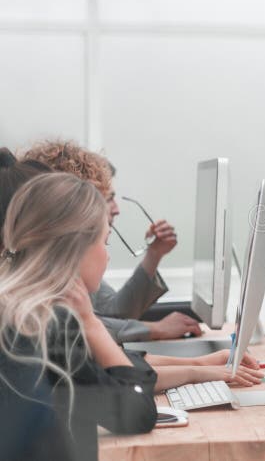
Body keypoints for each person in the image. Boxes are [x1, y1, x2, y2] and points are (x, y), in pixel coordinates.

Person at [0, 153, 265, 393]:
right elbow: (106, 343)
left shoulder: (50, 285)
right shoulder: (37, 316)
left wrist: (196, 364)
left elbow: (109, 315)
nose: (114, 208)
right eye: (107, 199)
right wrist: (158, 334)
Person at [0, 172, 158, 461]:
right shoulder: (49, 324)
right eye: (105, 241)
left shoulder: (11, 309)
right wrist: (91, 324)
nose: (107, 256)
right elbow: (137, 412)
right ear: (77, 248)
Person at [22, 140, 200, 342]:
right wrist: (154, 329)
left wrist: (154, 254)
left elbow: (113, 312)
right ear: (76, 200)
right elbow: (75, 330)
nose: (116, 209)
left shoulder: (71, 258)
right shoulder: (38, 271)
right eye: (108, 199)